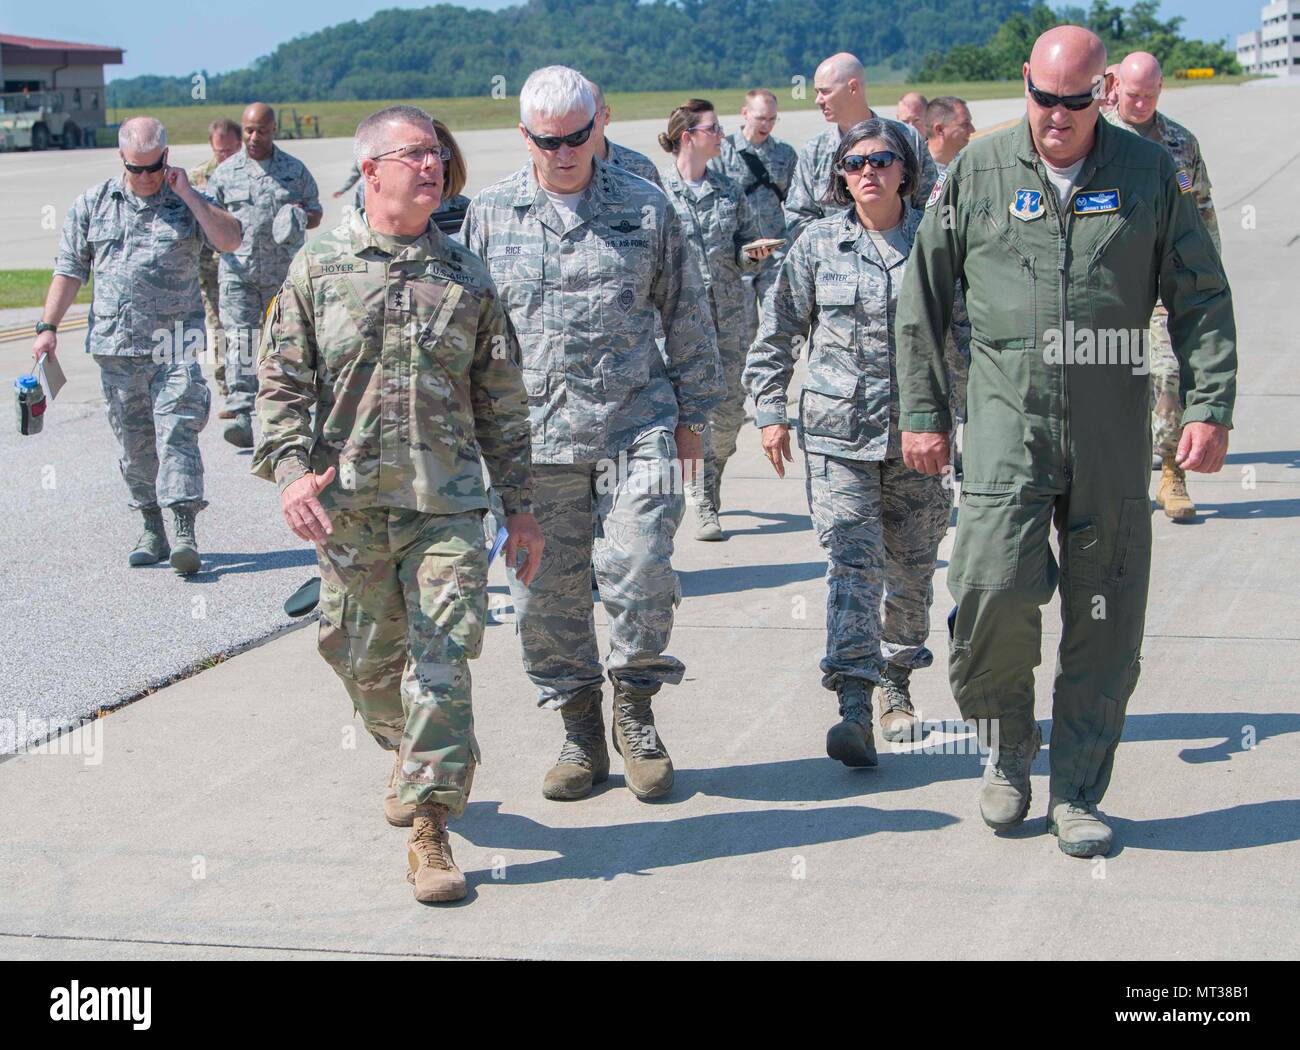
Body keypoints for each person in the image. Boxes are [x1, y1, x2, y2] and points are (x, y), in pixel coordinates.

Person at [896, 26, 1236, 858]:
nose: (1055, 116)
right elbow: (923, 297)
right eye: (1042, 98)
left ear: (1102, 91)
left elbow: (1201, 295)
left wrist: (1209, 404)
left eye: (1074, 101)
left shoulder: (1149, 173)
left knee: (1105, 614)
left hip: (1111, 429)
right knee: (990, 587)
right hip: (1009, 419)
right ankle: (1008, 746)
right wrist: (923, 411)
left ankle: (1078, 790)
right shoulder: (976, 169)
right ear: (1026, 85)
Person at [252, 105, 542, 904]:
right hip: (347, 509)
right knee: (360, 661)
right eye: (416, 154)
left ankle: (430, 828)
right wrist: (287, 475)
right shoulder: (317, 270)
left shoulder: (468, 278)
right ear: (372, 168)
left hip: (444, 506)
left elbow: (502, 405)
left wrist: (519, 508)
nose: (433, 166)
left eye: (439, 157)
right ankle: (410, 748)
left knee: (443, 661)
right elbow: (279, 386)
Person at [462, 66, 721, 803]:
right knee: (544, 599)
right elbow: (475, 337)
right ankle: (579, 729)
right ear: (526, 137)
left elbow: (688, 314)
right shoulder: (490, 214)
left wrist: (694, 420)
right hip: (534, 445)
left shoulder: (645, 208)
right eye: (551, 140)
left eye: (580, 135)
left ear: (598, 124)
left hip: (636, 427)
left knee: (640, 571)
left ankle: (634, 708)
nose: (567, 151)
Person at [747, 119, 953, 766]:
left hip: (917, 438)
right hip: (838, 437)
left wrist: (970, 421)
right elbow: (777, 329)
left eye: (882, 160)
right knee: (852, 564)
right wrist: (770, 409)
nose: (869, 171)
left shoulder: (936, 241)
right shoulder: (817, 245)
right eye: (855, 162)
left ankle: (898, 676)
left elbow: (968, 334)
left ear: (904, 170)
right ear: (841, 174)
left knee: (913, 571)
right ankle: (855, 706)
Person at [35, 117, 241, 575]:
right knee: (135, 445)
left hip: (175, 346)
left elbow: (231, 239)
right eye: (136, 168)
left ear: (166, 157)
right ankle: (151, 527)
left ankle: (184, 527)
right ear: (121, 158)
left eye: (154, 166)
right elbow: (70, 270)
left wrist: (188, 194)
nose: (146, 176)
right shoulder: (93, 204)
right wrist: (47, 326)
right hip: (117, 347)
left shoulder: (187, 201)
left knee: (178, 434)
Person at [1106, 50, 1222, 521]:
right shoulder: (1096, 136)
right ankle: (1107, 481)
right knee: (1108, 383)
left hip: (1162, 285)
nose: (1141, 104)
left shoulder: (1179, 142)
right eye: (1134, 95)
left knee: (1169, 373)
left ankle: (1172, 473)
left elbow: (1203, 208)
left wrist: (1207, 272)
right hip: (1108, 284)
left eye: (1150, 95)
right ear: (1116, 86)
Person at [659, 99, 775, 540]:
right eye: (713, 128)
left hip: (729, 323)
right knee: (690, 418)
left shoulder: (730, 191)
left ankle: (713, 480)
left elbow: (746, 249)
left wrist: (753, 255)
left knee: (727, 419)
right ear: (688, 136)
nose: (722, 135)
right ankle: (699, 499)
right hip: (677, 329)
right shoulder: (656, 192)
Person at [207, 102, 322, 449]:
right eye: (248, 130)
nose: (253, 137)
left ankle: (289, 413)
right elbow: (210, 216)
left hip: (282, 276)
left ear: (274, 130)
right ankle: (241, 411)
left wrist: (301, 214)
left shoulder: (293, 170)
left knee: (286, 344)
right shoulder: (226, 174)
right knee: (239, 340)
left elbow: (316, 212)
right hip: (238, 272)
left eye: (261, 130)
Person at [784, 54, 938, 246]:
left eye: (825, 92)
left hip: (902, 261)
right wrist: (837, 247)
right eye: (817, 92)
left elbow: (931, 205)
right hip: (838, 268)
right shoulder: (815, 152)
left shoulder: (906, 138)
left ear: (853, 87)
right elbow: (797, 217)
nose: (818, 100)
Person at [708, 88, 797, 348]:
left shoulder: (784, 154)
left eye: (772, 119)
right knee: (742, 333)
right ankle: (743, 385)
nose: (766, 125)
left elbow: (796, 202)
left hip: (775, 253)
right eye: (760, 118)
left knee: (778, 326)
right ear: (745, 113)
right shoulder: (723, 152)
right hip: (740, 257)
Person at [187, 117, 242, 416]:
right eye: (220, 152)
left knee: (253, 329)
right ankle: (228, 390)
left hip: (246, 267)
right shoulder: (196, 179)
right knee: (219, 327)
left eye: (230, 151)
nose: (225, 157)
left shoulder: (248, 174)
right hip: (211, 267)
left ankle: (257, 384)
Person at [587, 79, 663, 187]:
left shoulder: (641, 168)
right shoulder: (559, 170)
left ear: (606, 115)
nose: (585, 123)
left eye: (592, 115)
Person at [924, 96, 975, 174]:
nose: (972, 130)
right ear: (939, 129)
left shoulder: (971, 165)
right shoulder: (915, 171)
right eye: (965, 124)